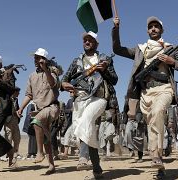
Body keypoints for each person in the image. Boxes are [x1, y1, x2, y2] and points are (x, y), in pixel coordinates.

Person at [112, 16, 178, 177]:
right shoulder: (140, 49)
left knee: (157, 114)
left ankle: (155, 154)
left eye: (157, 26)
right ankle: (159, 164)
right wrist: (116, 29)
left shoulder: (170, 48)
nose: (153, 29)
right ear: (147, 30)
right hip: (145, 93)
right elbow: (117, 50)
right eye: (151, 27)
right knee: (152, 125)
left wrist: (171, 61)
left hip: (164, 89)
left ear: (161, 30)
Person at [61, 31, 118, 179]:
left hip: (99, 98)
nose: (87, 42)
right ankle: (97, 170)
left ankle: (83, 157)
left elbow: (114, 79)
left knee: (86, 120)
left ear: (96, 43)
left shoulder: (104, 59)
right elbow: (64, 80)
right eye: (85, 40)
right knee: (88, 133)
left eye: (90, 40)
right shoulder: (77, 61)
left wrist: (104, 70)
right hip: (80, 99)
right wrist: (66, 85)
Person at [17, 48, 60, 175]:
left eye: (39, 57)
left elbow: (53, 84)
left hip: (52, 107)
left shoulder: (52, 72)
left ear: (45, 60)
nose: (36, 60)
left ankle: (39, 152)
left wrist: (45, 69)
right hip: (39, 109)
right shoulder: (31, 76)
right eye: (35, 58)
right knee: (46, 137)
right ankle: (51, 165)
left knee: (36, 121)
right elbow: (29, 95)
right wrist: (21, 108)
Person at [3, 87, 21, 163]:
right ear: (14, 92)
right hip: (8, 122)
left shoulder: (16, 100)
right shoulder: (7, 99)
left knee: (17, 139)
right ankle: (10, 158)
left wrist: (18, 113)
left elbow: (17, 109)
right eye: (18, 92)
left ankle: (14, 156)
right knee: (8, 140)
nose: (19, 94)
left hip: (15, 122)